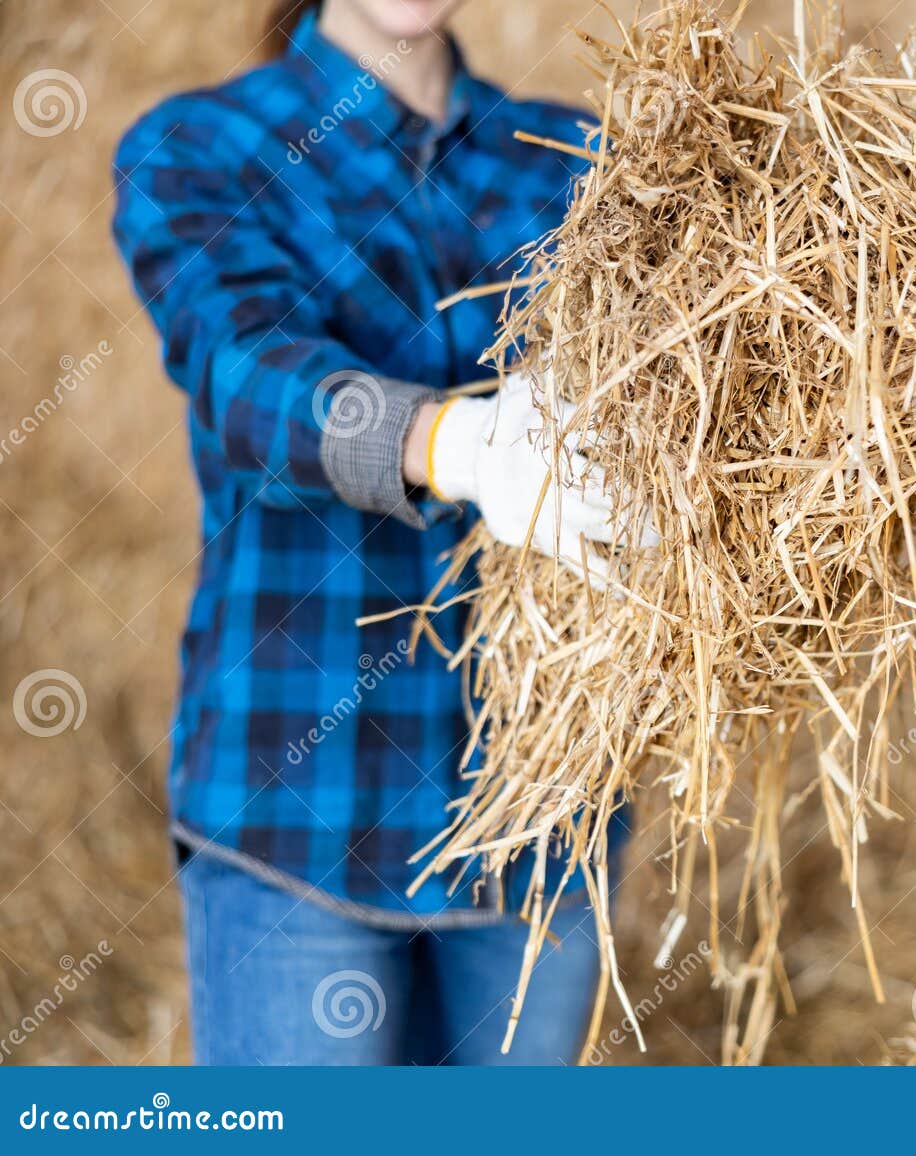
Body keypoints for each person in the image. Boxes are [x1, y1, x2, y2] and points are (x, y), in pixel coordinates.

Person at [111, 0, 631, 1064]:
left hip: (541, 824)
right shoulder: (203, 144)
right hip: (302, 805)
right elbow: (239, 366)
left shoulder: (580, 159)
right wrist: (462, 447)